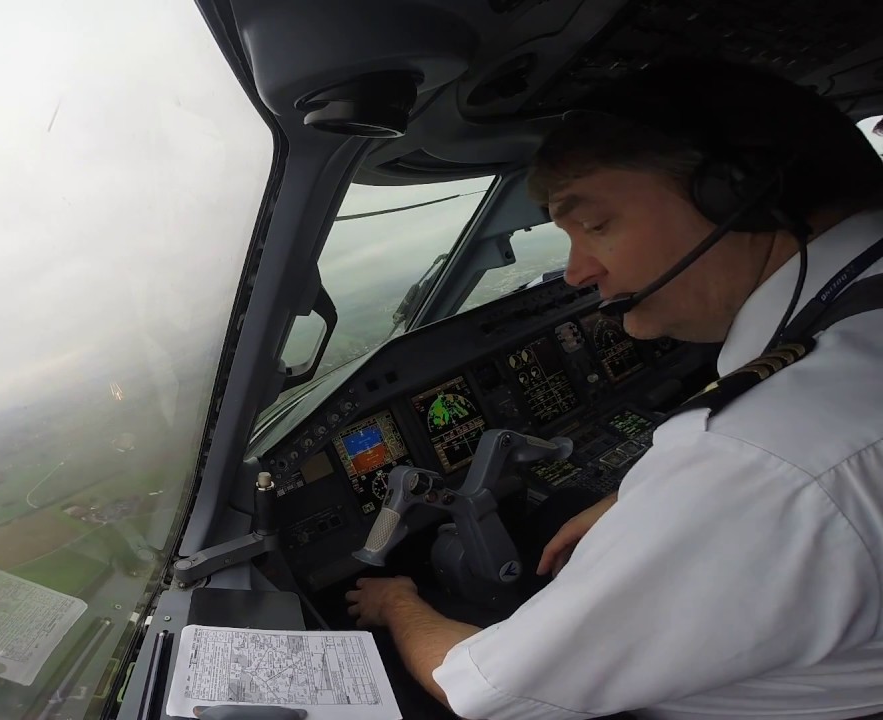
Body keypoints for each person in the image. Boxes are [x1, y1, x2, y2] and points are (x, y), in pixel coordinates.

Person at [346, 57, 883, 719]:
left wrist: (398, 603)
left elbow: (490, 693)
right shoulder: (853, 332)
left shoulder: (755, 460)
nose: (577, 273)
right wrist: (637, 502)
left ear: (739, 194)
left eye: (596, 225)